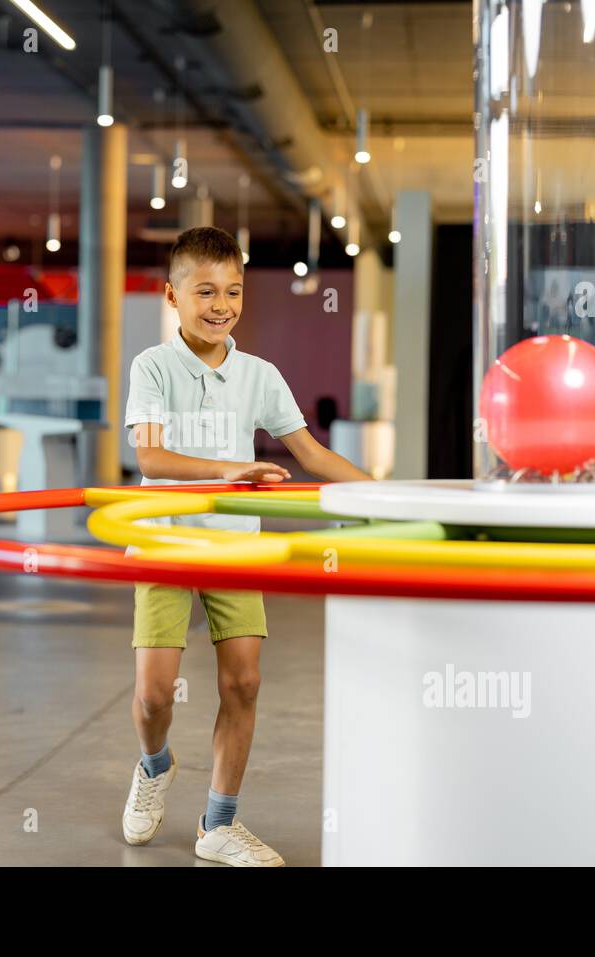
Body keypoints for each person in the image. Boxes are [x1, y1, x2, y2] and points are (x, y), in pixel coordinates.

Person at [122, 226, 371, 866]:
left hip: (236, 548)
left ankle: (219, 825)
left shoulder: (259, 375)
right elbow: (148, 453)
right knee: (155, 693)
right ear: (172, 295)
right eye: (205, 290)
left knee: (245, 684)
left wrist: (384, 494)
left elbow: (310, 453)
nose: (221, 304)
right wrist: (224, 470)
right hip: (164, 541)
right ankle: (154, 766)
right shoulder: (151, 366)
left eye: (233, 291)